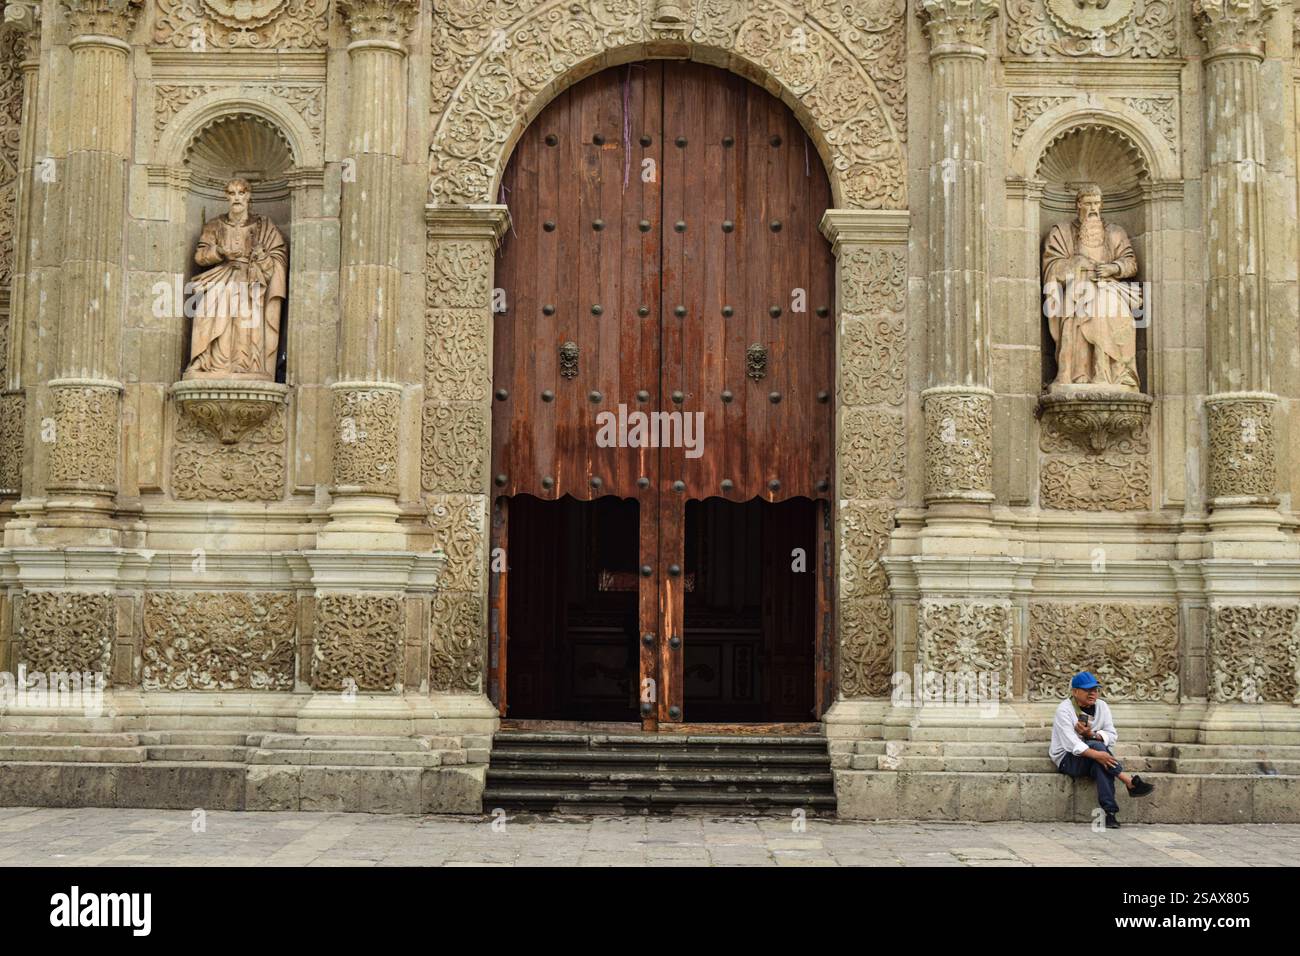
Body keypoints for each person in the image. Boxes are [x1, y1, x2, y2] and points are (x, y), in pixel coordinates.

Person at [1050, 671, 1154, 828]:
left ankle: (1110, 814)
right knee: (1099, 750)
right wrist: (1098, 753)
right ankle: (1128, 781)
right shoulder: (1064, 710)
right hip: (1068, 759)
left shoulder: (1102, 706)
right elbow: (1071, 745)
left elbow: (1112, 736)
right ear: (1074, 691)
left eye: (1095, 690)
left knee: (1100, 762)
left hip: (1093, 759)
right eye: (1087, 690)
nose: (1092, 693)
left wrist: (1091, 734)